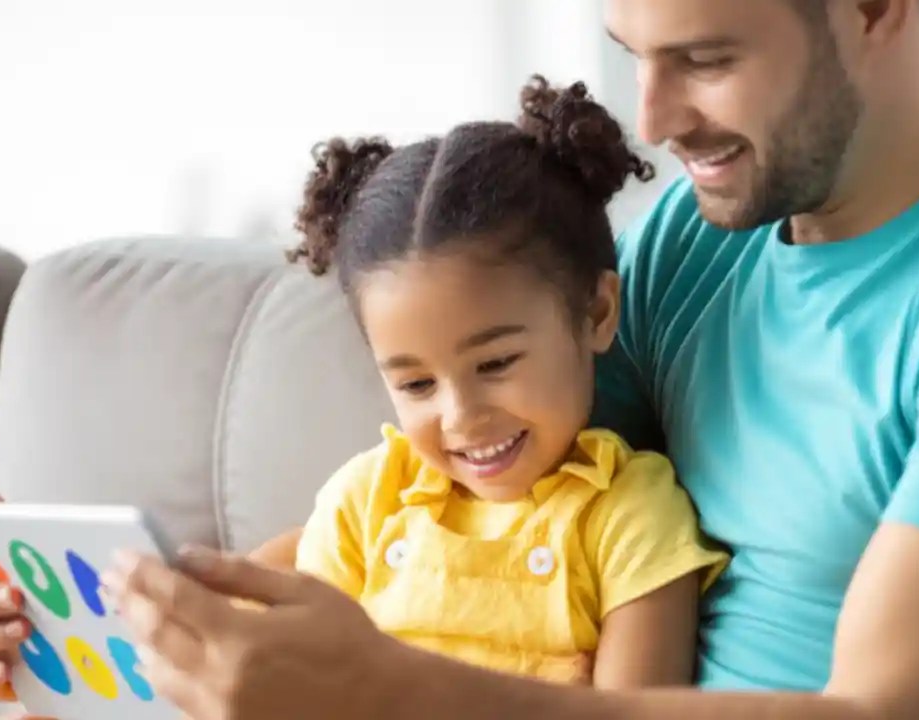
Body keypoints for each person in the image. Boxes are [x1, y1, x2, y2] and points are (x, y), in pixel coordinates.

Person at [0, 0, 919, 718]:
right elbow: (467, 488)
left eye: (706, 57)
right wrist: (141, 606)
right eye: (633, 54)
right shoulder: (697, 236)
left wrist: (386, 695)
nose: (655, 123)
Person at [281, 76, 727, 686]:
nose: (461, 416)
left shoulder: (629, 518)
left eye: (494, 365)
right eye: (416, 385)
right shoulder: (364, 503)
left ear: (596, 314)